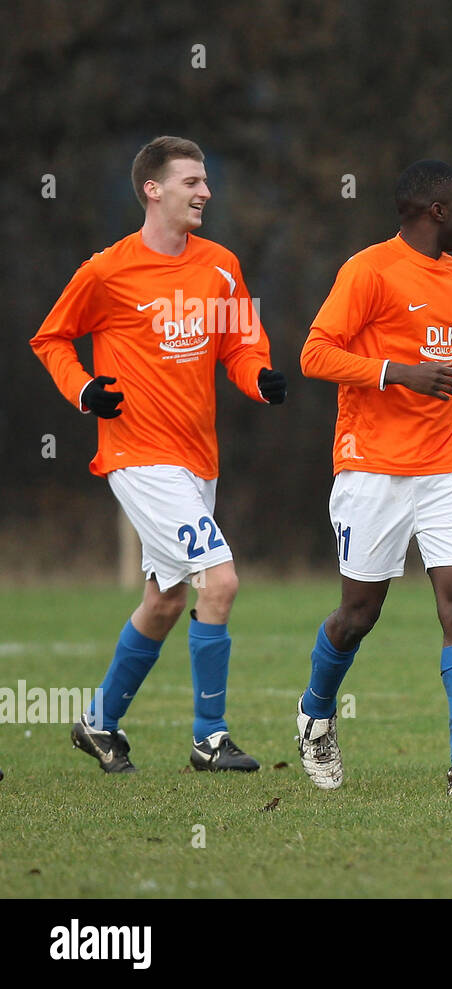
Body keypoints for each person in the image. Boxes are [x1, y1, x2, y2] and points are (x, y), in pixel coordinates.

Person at [30, 135, 286, 774]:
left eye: (205, 181)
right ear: (153, 189)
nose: (205, 191)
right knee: (219, 580)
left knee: (167, 599)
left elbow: (239, 345)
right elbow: (52, 338)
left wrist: (259, 377)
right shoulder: (107, 270)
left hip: (198, 459)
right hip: (138, 455)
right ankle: (210, 737)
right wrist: (85, 390)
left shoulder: (220, 265)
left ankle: (97, 722)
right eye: (192, 181)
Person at [295, 159, 452, 796]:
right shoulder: (368, 270)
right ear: (436, 212)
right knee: (358, 612)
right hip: (371, 466)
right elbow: (315, 353)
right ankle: (315, 714)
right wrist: (396, 373)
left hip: (447, 465)